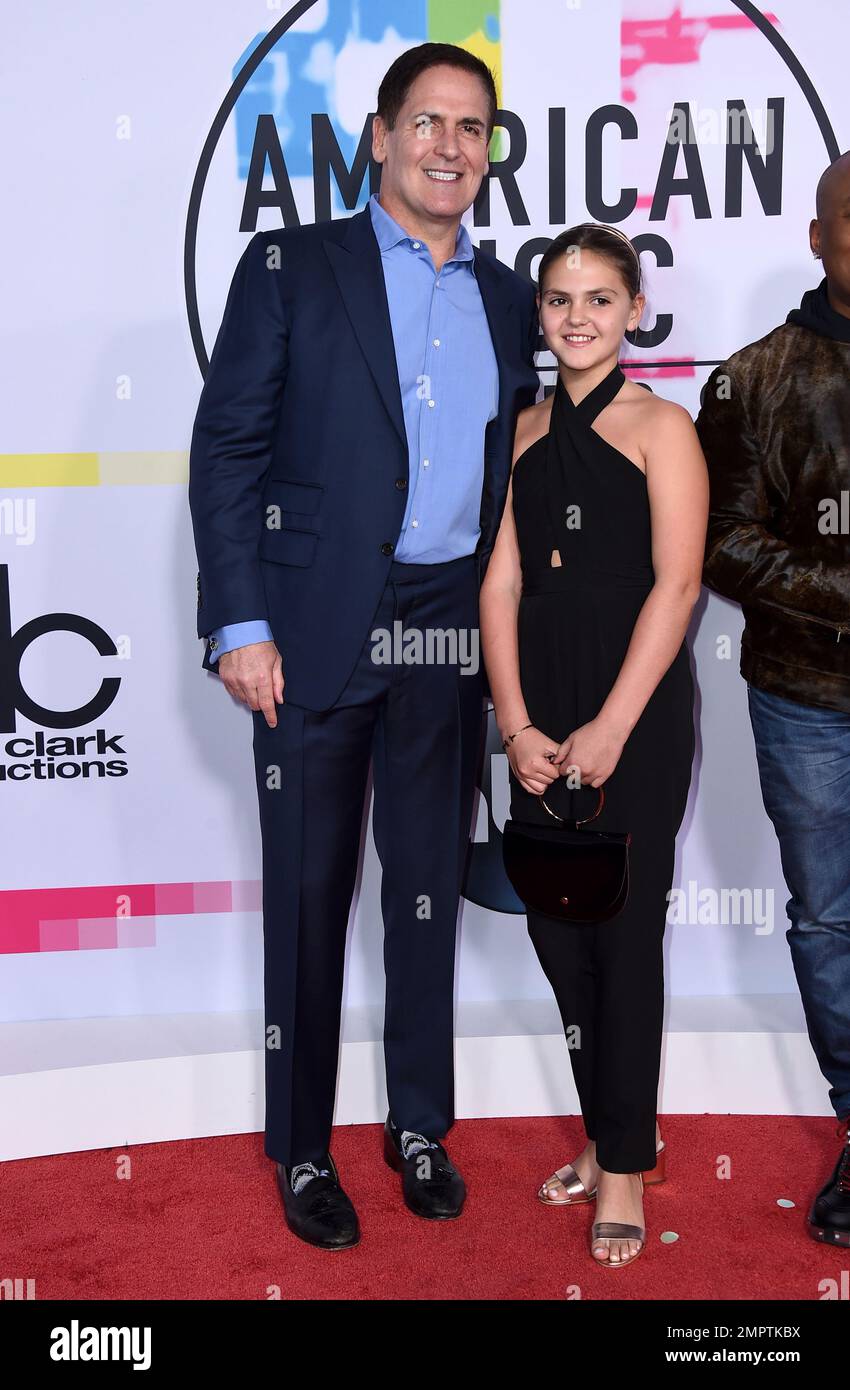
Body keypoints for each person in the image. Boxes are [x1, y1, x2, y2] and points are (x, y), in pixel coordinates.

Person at [188, 43, 540, 1249]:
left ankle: (419, 1122)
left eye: (473, 127)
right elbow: (228, 447)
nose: (450, 145)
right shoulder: (291, 266)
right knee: (308, 894)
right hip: (316, 623)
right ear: (381, 135)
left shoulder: (504, 295)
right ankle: (299, 1148)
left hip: (444, 621)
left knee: (428, 890)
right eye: (428, 121)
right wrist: (240, 622)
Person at [480, 223, 707, 1267]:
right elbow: (500, 584)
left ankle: (623, 1165)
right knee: (556, 933)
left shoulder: (664, 427)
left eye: (598, 300)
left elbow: (677, 584)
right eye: (559, 300)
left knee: (622, 942)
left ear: (632, 309)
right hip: (540, 709)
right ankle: (614, 1129)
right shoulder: (522, 431)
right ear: (541, 314)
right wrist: (516, 722)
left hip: (636, 713)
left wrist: (610, 726)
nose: (577, 318)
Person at [696, 152, 850, 1249]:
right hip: (806, 703)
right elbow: (722, 543)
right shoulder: (754, 377)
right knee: (831, 923)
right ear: (815, 238)